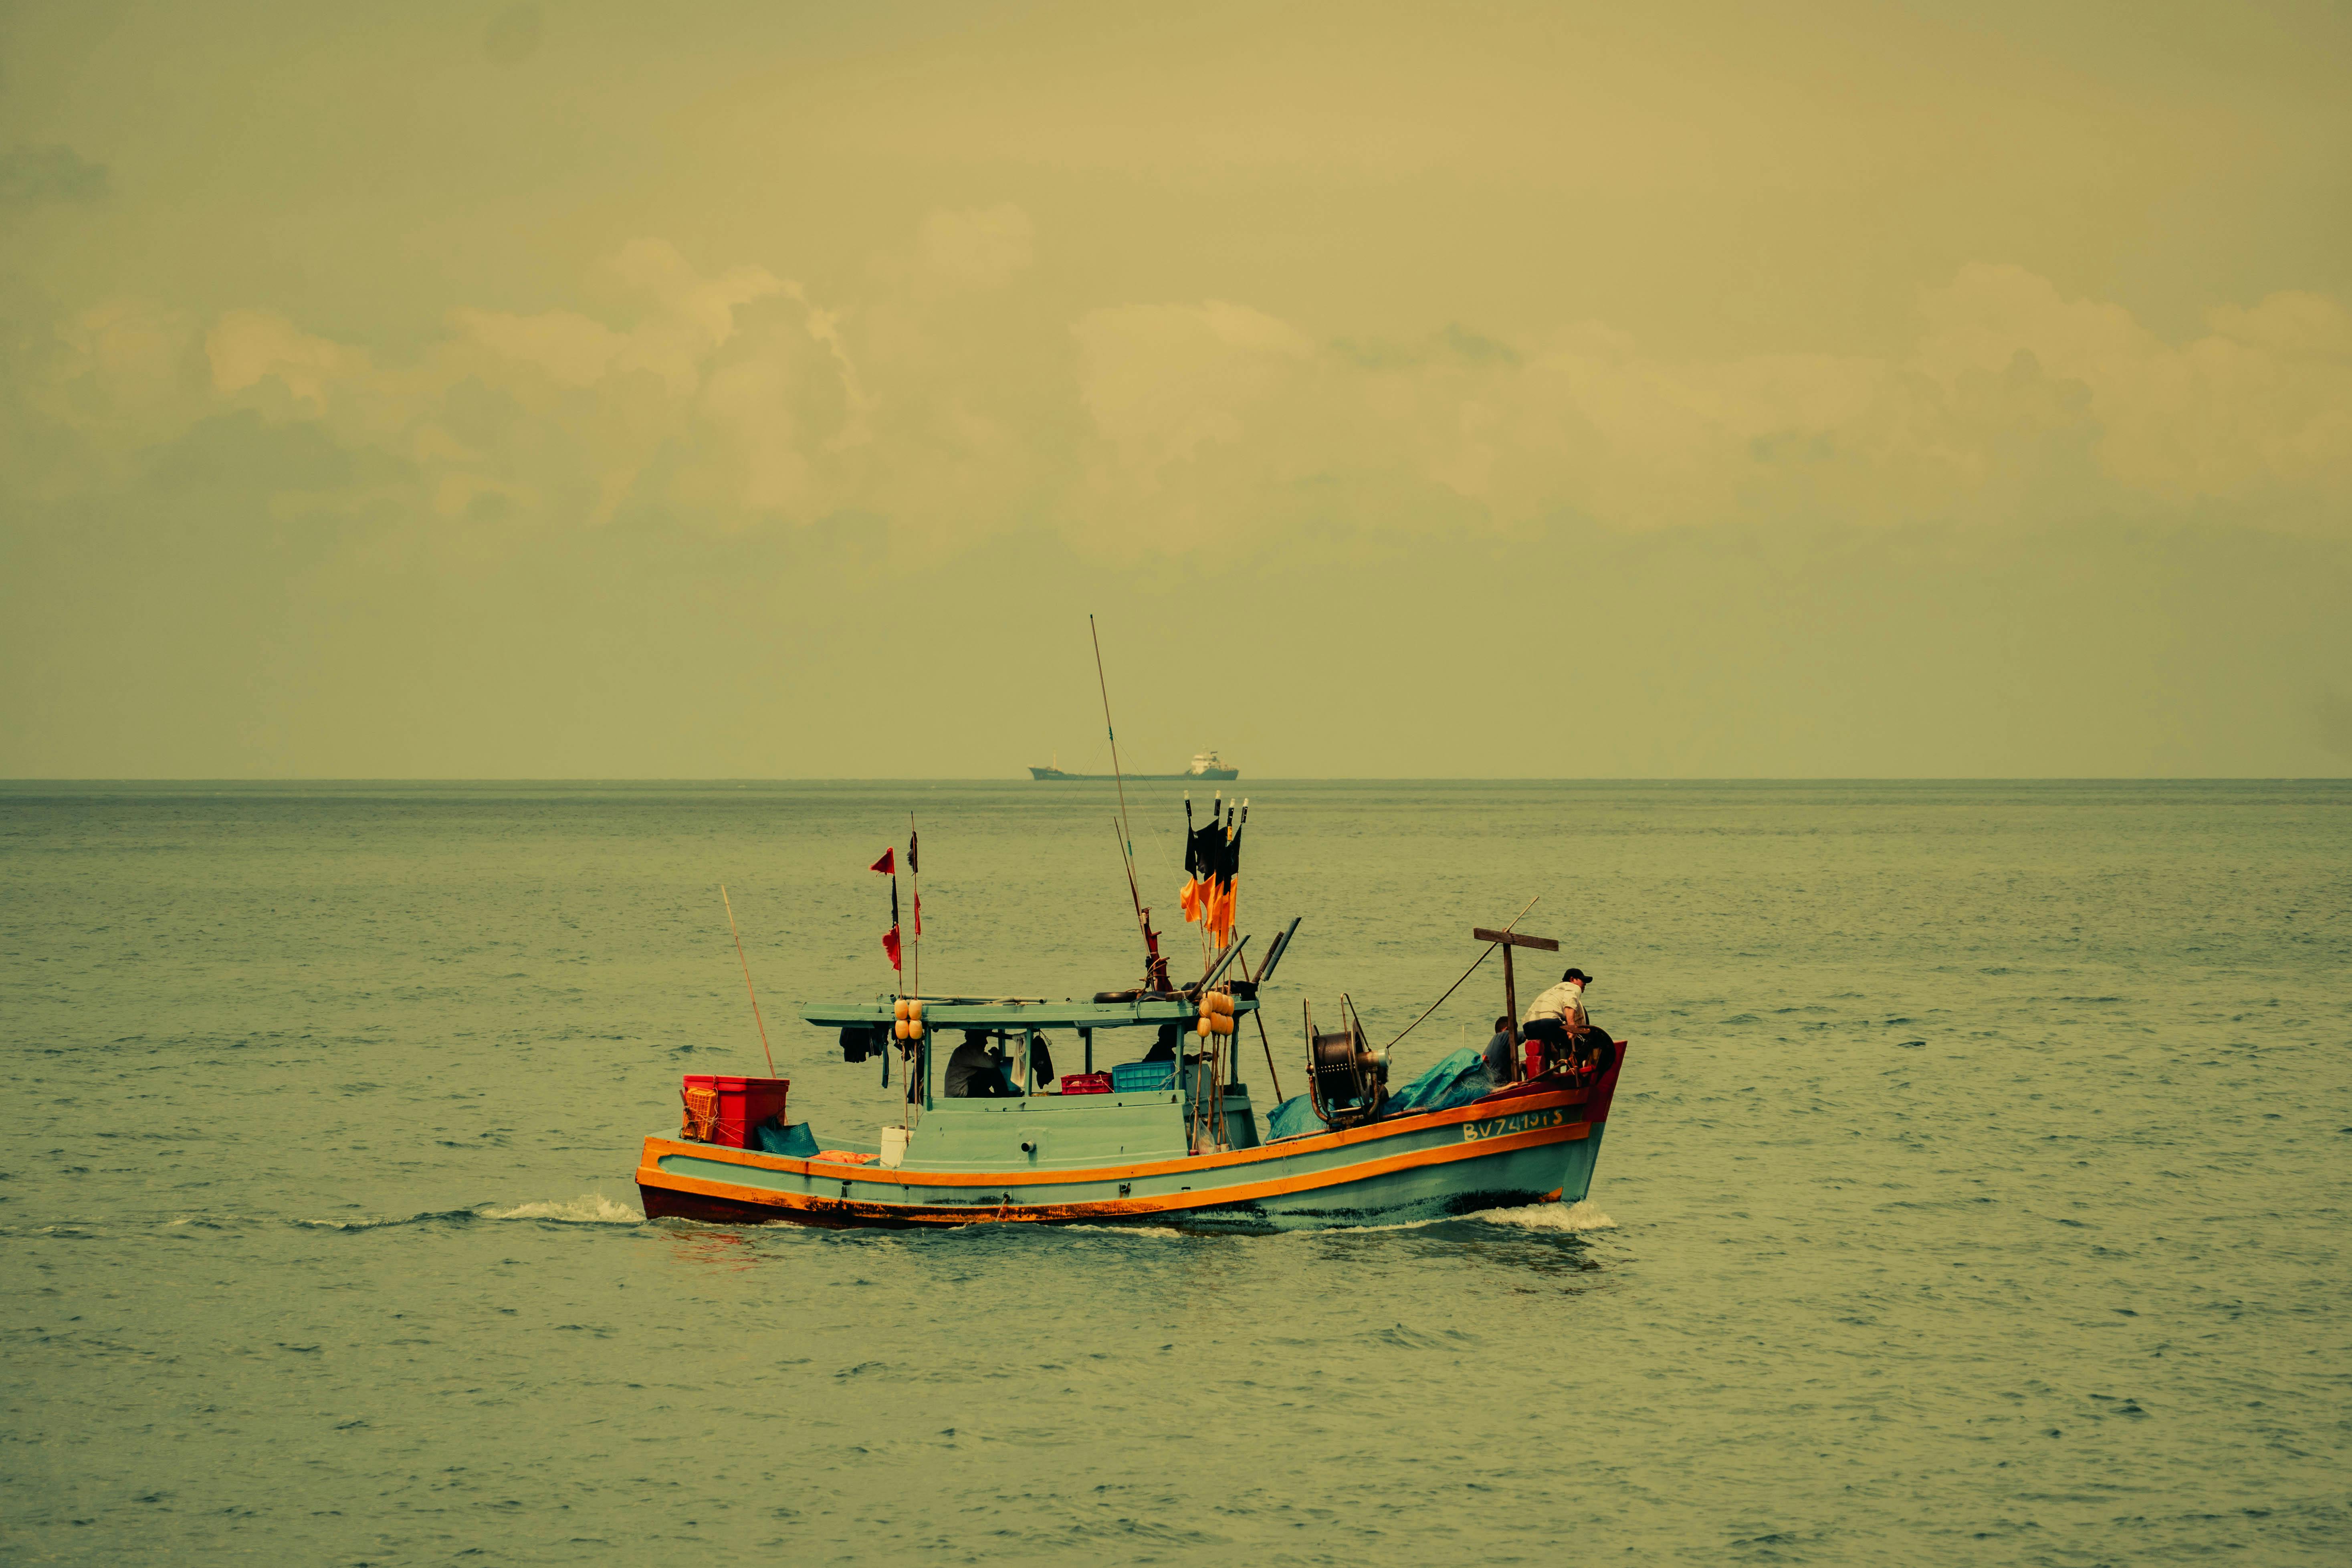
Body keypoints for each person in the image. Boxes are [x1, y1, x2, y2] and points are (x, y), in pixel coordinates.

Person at [1521, 968, 1593, 1075]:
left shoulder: (1551, 991)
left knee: (1546, 1046)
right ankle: (1573, 1073)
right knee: (1580, 1043)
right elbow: (1570, 1004)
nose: (1585, 984)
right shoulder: (1573, 987)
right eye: (1583, 980)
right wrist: (1572, 1028)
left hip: (1528, 1027)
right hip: (1548, 1022)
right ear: (1572, 980)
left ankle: (1545, 1075)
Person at [945, 1029, 1019, 1098]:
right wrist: (995, 1052)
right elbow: (993, 1064)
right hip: (961, 1091)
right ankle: (1004, 1097)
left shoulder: (964, 1049)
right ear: (976, 1039)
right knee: (993, 1071)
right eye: (984, 1039)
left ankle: (998, 1096)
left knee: (986, 1072)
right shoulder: (970, 1051)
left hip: (959, 1090)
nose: (986, 1042)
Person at [1482, 1014, 1518, 1088]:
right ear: (1506, 1030)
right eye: (1515, 1030)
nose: (1516, 1032)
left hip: (1489, 1085)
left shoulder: (1495, 1043)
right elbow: (1527, 1034)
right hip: (1499, 1086)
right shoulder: (1503, 1036)